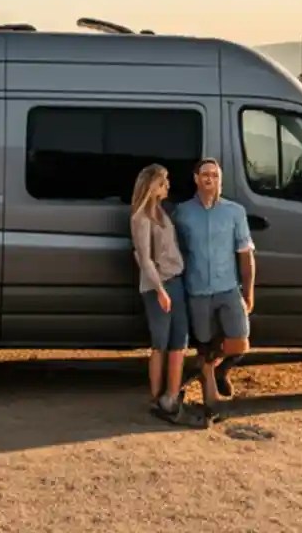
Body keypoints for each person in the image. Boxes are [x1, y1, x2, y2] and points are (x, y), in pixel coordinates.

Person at [172, 157, 255, 420]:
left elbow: (245, 254)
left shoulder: (235, 212)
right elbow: (176, 252)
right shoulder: (182, 213)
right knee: (205, 344)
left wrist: (249, 291)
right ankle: (211, 397)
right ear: (196, 179)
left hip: (228, 287)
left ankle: (218, 370)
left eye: (215, 175)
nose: (211, 179)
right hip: (197, 289)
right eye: (205, 174)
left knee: (240, 342)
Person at [129, 164, 189, 422]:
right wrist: (160, 291)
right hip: (158, 286)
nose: (168, 187)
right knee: (160, 343)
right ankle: (156, 397)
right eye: (163, 183)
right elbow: (144, 259)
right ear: (152, 186)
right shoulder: (140, 219)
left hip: (176, 281)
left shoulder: (163, 213)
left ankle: (171, 396)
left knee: (179, 340)